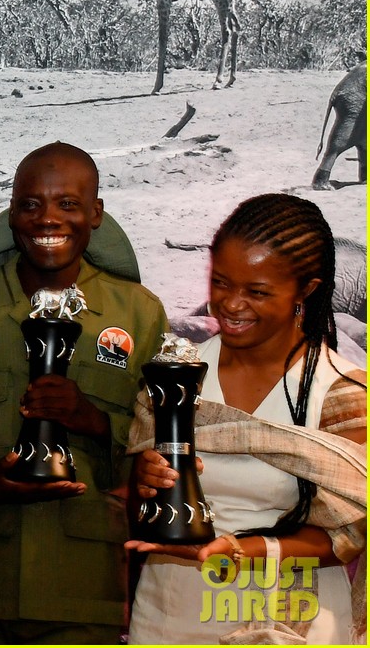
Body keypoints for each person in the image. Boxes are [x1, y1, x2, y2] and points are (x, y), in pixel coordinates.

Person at [0, 142, 170, 643]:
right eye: (31, 204)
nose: (47, 219)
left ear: (96, 213)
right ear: (11, 212)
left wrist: (95, 421)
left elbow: (160, 451)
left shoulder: (139, 314)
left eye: (68, 204)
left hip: (84, 587)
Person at [127, 193, 366, 644]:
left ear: (307, 291)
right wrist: (143, 477)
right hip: (170, 613)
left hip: (290, 621)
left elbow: (350, 535)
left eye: (257, 292)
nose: (231, 305)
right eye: (220, 283)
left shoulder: (340, 393)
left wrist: (242, 550)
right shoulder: (174, 376)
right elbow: (136, 503)